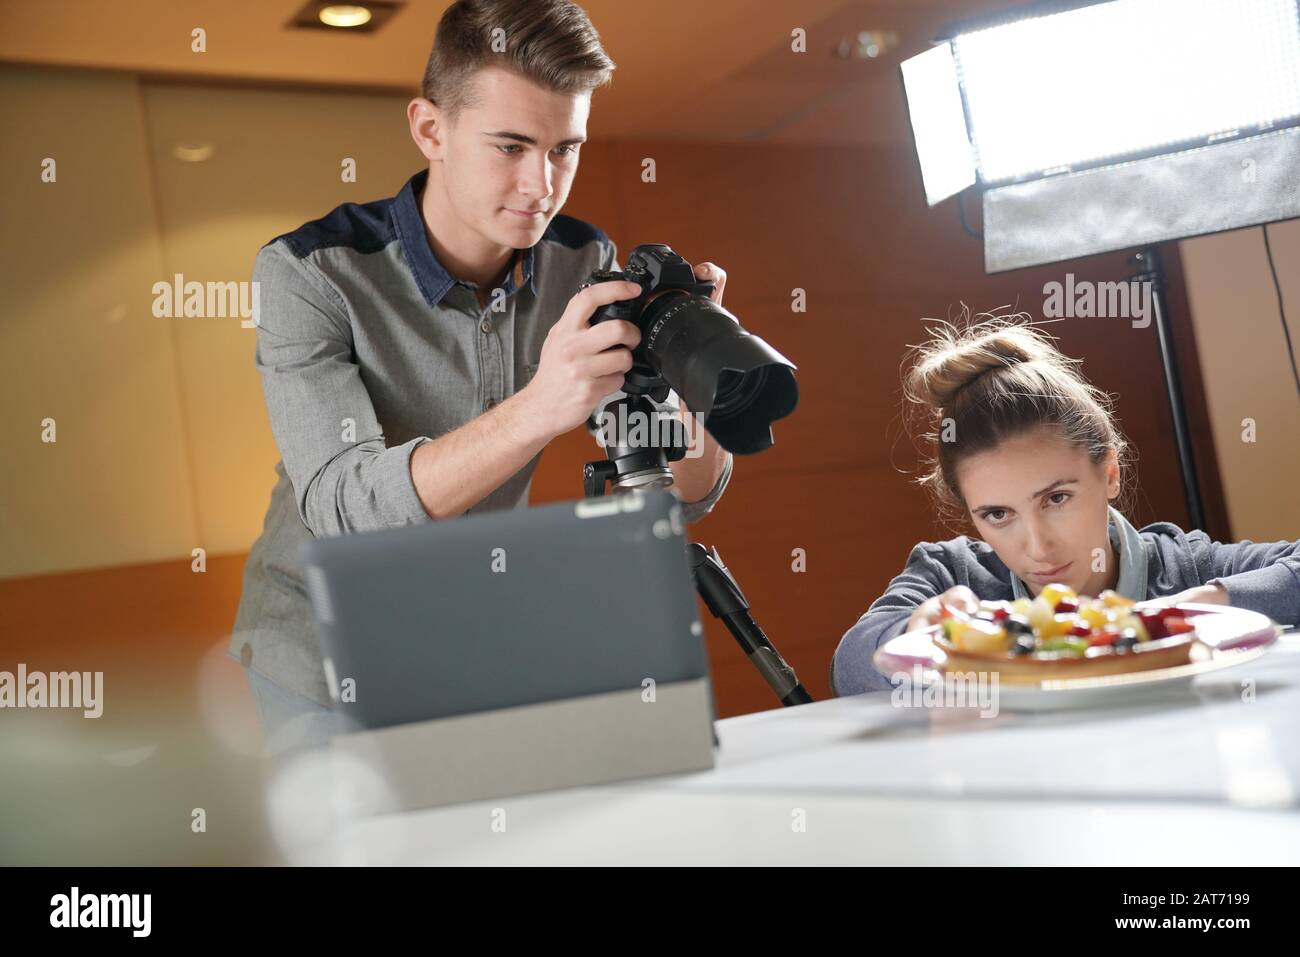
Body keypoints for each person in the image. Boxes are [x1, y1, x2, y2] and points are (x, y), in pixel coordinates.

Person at [231, 0, 734, 754]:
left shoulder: (578, 262)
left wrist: (689, 373)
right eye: (511, 146)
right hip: (317, 659)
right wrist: (541, 405)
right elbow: (348, 512)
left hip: (470, 629)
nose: (542, 183)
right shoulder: (306, 275)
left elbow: (684, 494)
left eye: (566, 149)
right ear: (431, 129)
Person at [831, 313, 1300, 696]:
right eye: (997, 515)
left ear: (1109, 474)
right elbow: (849, 668)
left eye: (1057, 498)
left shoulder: (1185, 568)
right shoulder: (952, 575)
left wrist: (1203, 607)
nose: (1038, 547)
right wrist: (920, 633)